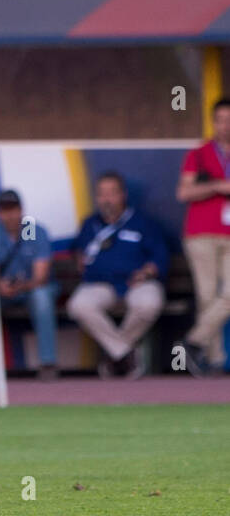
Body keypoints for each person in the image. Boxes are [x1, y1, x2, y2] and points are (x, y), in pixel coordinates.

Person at [66, 173, 169, 378]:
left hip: (135, 282)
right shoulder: (90, 224)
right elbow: (78, 251)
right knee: (78, 305)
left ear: (123, 195)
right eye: (102, 194)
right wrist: (79, 258)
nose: (107, 199)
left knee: (149, 302)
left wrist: (146, 272)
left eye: (112, 193)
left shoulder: (142, 222)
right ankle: (124, 353)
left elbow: (160, 257)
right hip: (100, 283)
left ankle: (114, 355)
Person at [0, 190, 56, 381]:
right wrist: (0, 286)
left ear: (21, 209)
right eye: (4, 210)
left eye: (13, 209)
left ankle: (48, 363)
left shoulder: (32, 230)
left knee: (41, 297)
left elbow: (40, 276)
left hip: (31, 288)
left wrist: (21, 286)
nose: (9, 214)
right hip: (3, 290)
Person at [175, 98, 230, 376]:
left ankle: (192, 342)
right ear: (213, 121)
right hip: (202, 233)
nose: (226, 125)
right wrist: (219, 186)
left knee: (228, 294)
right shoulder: (198, 154)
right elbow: (184, 193)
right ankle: (215, 361)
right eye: (221, 119)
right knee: (207, 296)